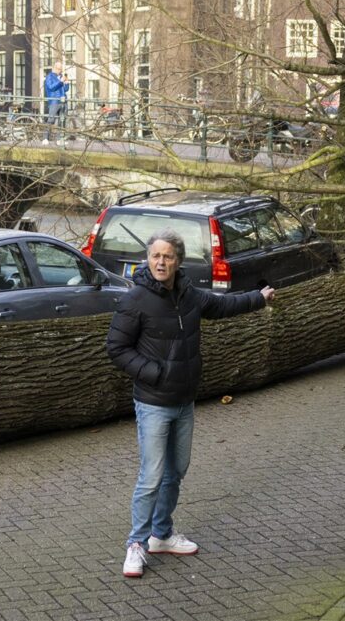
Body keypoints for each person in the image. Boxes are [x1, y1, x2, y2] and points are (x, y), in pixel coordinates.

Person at [106, 230, 275, 578]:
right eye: (155, 256)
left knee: (176, 472)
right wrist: (154, 373)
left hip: (184, 401)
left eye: (167, 257)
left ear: (178, 261)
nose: (161, 262)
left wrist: (258, 298)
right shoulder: (135, 299)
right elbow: (117, 348)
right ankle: (136, 544)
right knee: (151, 477)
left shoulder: (188, 294)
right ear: (148, 259)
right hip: (153, 402)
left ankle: (161, 534)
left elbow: (223, 306)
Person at [42, 62, 67, 142]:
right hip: (54, 101)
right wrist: (60, 82)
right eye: (59, 69)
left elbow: (65, 89)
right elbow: (51, 87)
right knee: (51, 120)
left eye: (61, 69)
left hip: (63, 101)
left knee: (62, 120)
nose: (60, 71)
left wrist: (66, 83)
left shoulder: (60, 76)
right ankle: (45, 138)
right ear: (54, 68)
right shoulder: (49, 76)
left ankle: (59, 139)